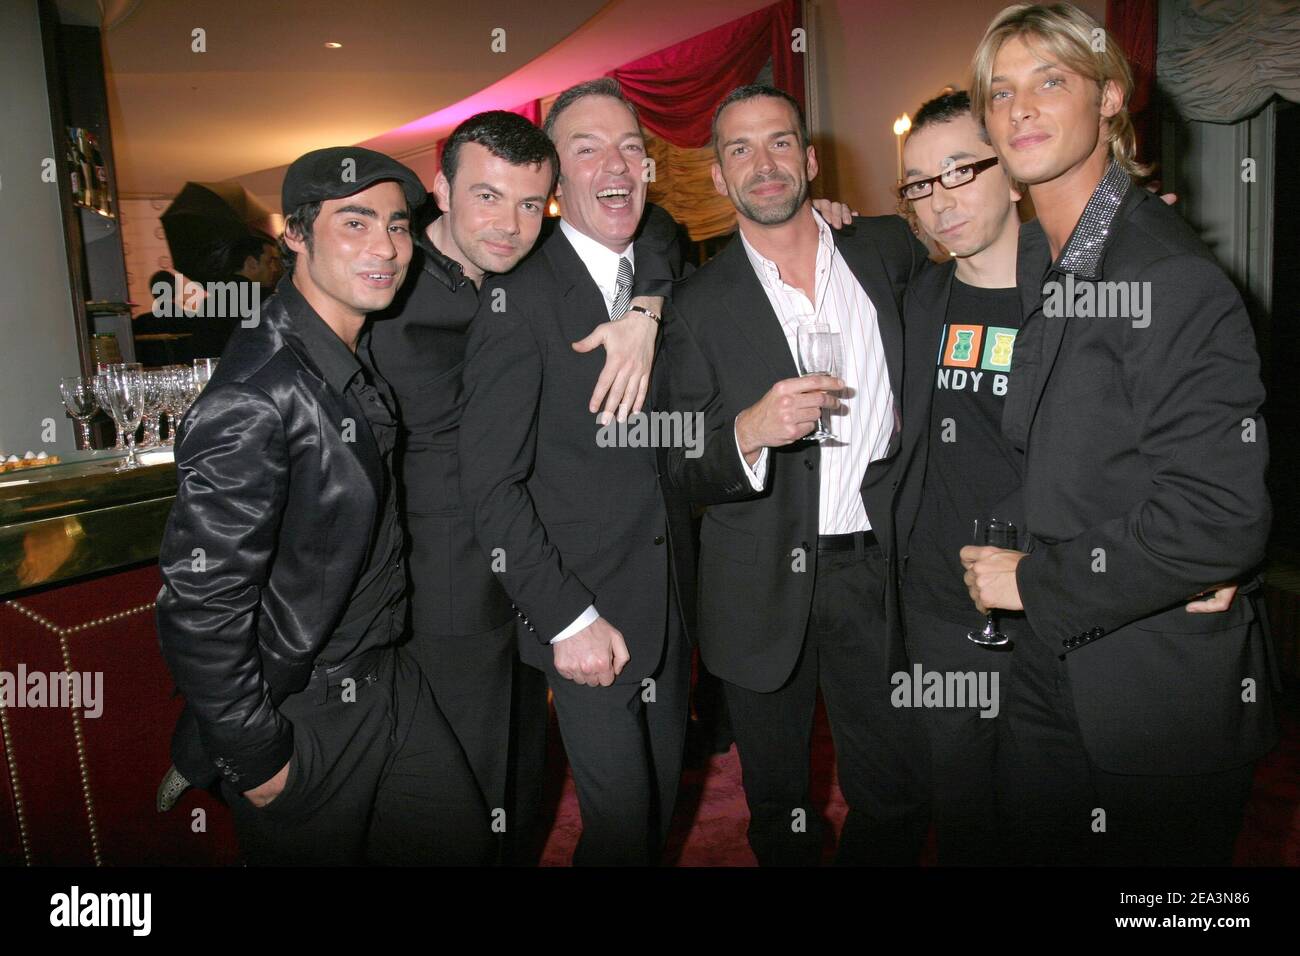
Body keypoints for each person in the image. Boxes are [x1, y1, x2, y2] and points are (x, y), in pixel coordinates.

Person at [962, 1, 1276, 865]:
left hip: (1154, 697)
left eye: (1049, 81)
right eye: (1000, 92)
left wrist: (1036, 582)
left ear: (1109, 100)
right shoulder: (1052, 258)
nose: (1018, 108)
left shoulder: (1164, 272)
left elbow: (1219, 518)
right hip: (1053, 675)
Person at [891, 87, 1234, 864]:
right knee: (968, 821)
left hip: (1062, 608)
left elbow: (1190, 435)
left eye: (960, 170)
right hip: (947, 617)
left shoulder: (1091, 287)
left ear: (1011, 171)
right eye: (918, 182)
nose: (939, 200)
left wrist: (1209, 558)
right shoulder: (916, 298)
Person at [156, 147, 492, 865]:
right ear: (297, 237)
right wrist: (257, 757)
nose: (386, 248)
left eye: (399, 227)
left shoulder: (346, 357)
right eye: (355, 223)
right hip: (303, 711)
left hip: (390, 681)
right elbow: (199, 603)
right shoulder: (258, 394)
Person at [367, 109, 671, 863]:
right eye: (487, 197)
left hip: (520, 591)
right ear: (438, 190)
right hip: (432, 598)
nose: (509, 224)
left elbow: (652, 232)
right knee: (453, 817)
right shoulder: (382, 298)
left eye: (529, 203)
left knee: (519, 802)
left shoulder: (513, 283)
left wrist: (647, 306)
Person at [661, 84, 930, 865]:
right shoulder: (692, 306)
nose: (763, 164)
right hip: (755, 584)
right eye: (739, 150)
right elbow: (674, 459)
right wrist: (746, 432)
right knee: (780, 807)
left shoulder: (889, 249)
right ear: (717, 177)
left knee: (901, 788)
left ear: (811, 160)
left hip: (879, 571)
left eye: (779, 142)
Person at [457, 79, 692, 865]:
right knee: (622, 828)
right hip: (586, 616)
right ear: (555, 178)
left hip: (671, 603)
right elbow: (490, 484)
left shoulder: (661, 260)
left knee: (656, 811)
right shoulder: (515, 301)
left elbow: (663, 239)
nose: (615, 163)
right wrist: (565, 620)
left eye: (630, 145)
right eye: (587, 149)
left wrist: (649, 310)